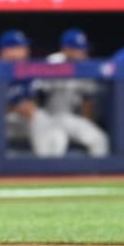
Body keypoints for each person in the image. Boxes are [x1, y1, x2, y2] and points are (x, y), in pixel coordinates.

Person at [33, 28, 109, 157]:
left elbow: (87, 100)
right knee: (57, 142)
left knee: (99, 140)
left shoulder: (85, 66)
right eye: (77, 49)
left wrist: (86, 123)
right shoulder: (53, 63)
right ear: (65, 49)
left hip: (70, 117)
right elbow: (37, 94)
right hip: (49, 117)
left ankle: (96, 175)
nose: (82, 52)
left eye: (82, 48)